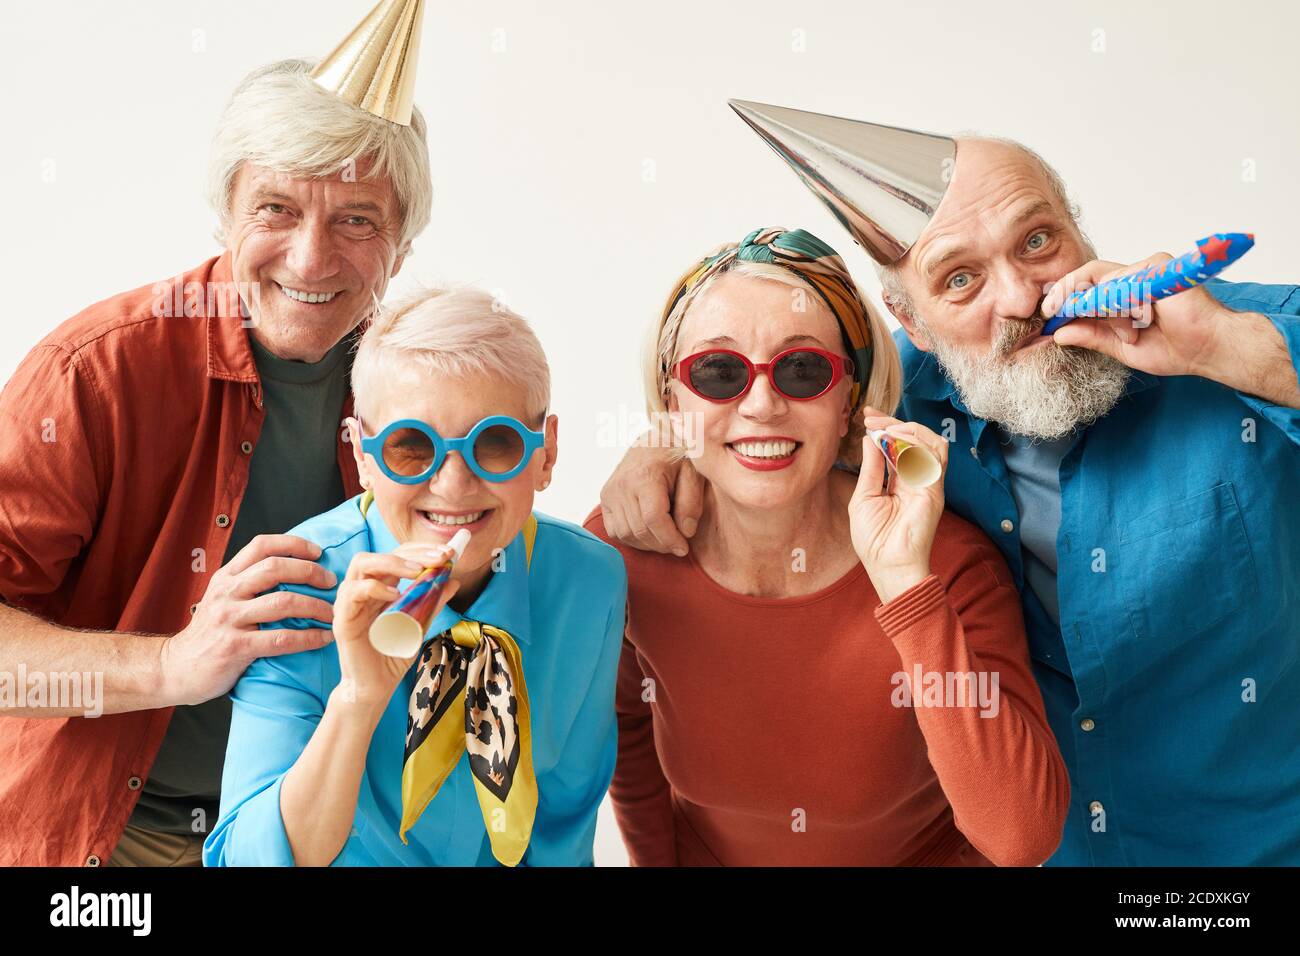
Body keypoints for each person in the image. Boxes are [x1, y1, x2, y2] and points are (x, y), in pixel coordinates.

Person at [600, 122, 1300, 865]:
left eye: (1037, 242)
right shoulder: (899, 410)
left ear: (1081, 232)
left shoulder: (1220, 330)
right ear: (913, 324)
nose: (1019, 298)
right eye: (959, 279)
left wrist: (1230, 350)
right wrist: (667, 442)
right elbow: (778, 404)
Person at [0, 2, 435, 866]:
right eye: (275, 209)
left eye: (356, 219)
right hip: (114, 840)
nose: (311, 261)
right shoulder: (97, 371)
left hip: (334, 832)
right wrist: (172, 666)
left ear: (404, 242)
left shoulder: (428, 380)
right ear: (224, 215)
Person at [587, 227, 1069, 866]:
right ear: (674, 399)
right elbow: (626, 733)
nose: (761, 405)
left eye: (803, 369)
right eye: (719, 371)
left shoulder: (944, 563)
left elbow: (1020, 837)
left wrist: (905, 586)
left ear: (849, 401)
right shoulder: (628, 549)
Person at [205, 286, 625, 866]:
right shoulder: (297, 589)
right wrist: (357, 697)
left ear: (546, 454)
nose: (452, 486)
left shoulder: (590, 582)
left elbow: (562, 823)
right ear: (363, 456)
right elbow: (246, 861)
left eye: (495, 444)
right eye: (410, 447)